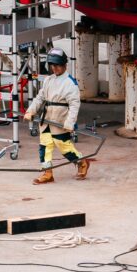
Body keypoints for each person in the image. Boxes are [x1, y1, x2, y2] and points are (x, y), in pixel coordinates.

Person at [23, 48, 87, 184]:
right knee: (44, 146)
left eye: (57, 65)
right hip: (46, 119)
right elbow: (40, 98)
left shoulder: (71, 83)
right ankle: (47, 173)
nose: (54, 68)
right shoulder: (48, 80)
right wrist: (31, 111)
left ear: (64, 65)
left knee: (64, 146)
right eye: (52, 66)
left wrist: (70, 122)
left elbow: (74, 105)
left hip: (60, 120)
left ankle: (81, 162)